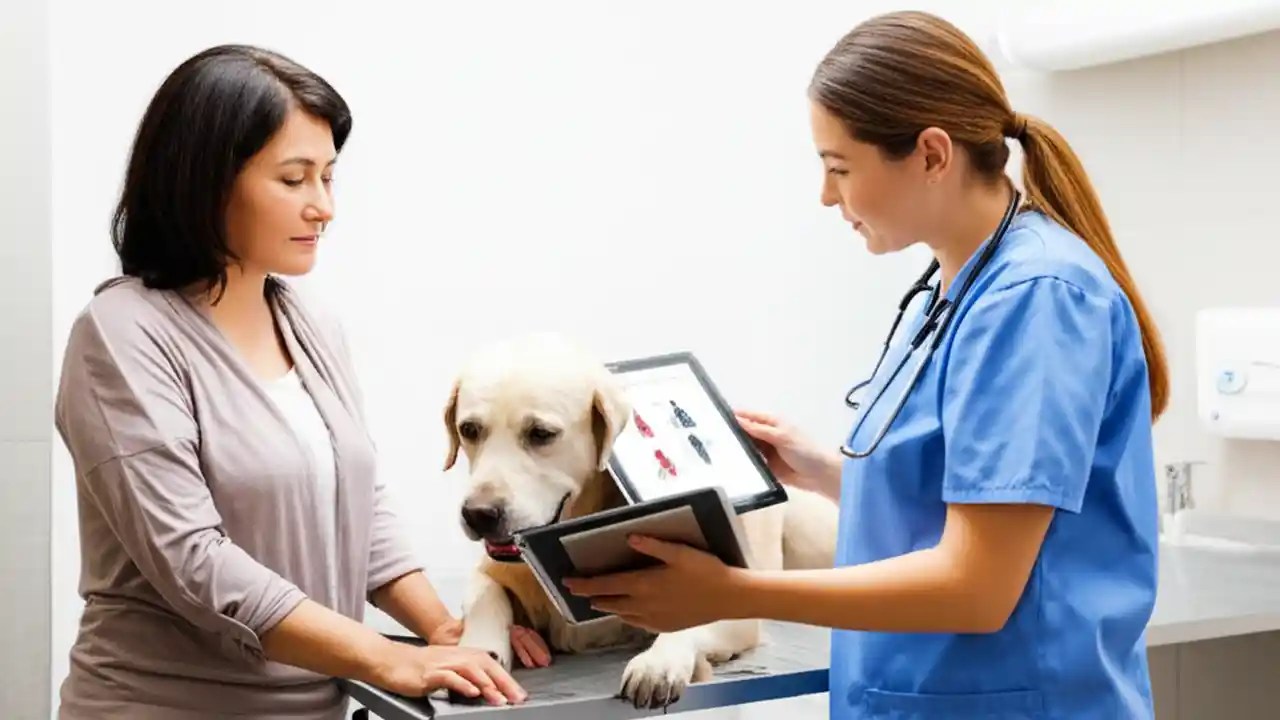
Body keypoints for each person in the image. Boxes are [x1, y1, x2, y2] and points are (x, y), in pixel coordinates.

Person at [563, 10, 1168, 719]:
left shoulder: (1037, 299)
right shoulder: (951, 290)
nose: (827, 196)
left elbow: (976, 584)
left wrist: (732, 592)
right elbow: (959, 505)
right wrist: (813, 469)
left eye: (839, 167)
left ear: (932, 155)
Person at [53, 44, 535, 719]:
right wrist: (387, 656)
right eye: (294, 179)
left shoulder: (309, 322)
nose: (323, 207)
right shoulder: (120, 334)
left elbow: (360, 509)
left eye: (329, 178)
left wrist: (444, 632)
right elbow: (194, 562)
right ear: (205, 180)